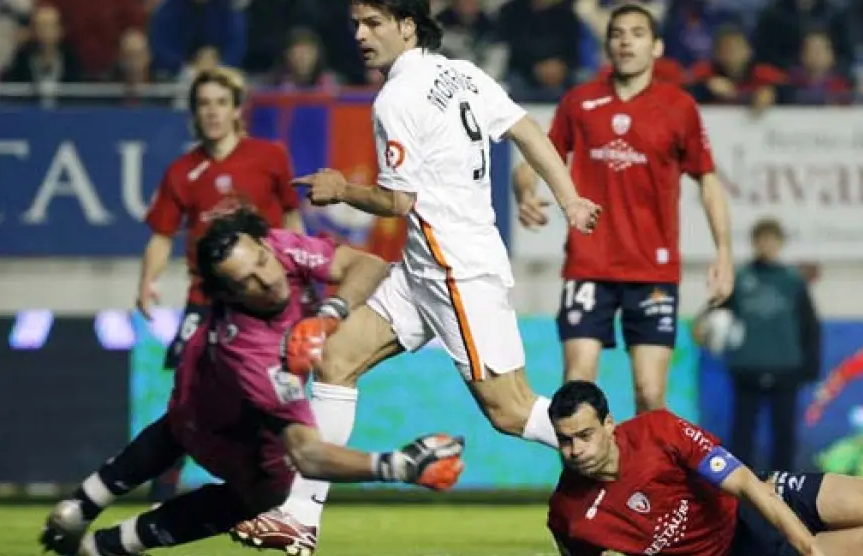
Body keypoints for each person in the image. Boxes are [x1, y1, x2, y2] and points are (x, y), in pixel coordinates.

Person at [229, 0, 602, 552]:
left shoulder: (397, 99)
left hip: (456, 270)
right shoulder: (463, 72)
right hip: (423, 269)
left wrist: (342, 188)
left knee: (511, 410)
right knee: (334, 360)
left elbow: (399, 201)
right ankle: (300, 519)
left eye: (373, 23)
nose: (360, 34)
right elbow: (526, 129)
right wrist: (568, 198)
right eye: (356, 22)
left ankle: (634, 463)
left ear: (407, 26)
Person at [40, 208, 465, 556]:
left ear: (264, 244)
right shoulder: (253, 351)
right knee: (266, 492)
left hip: (198, 390)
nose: (269, 280)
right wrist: (398, 466)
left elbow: (367, 263)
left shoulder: (280, 249)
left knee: (173, 433)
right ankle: (107, 546)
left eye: (262, 261)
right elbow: (309, 456)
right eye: (247, 282)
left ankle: (82, 506)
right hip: (215, 423)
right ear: (228, 295)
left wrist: (329, 313)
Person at [511, 3, 733, 414]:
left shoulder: (679, 107)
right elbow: (534, 160)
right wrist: (523, 191)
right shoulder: (579, 103)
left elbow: (708, 181)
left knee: (650, 396)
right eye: (617, 34)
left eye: (637, 33)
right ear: (607, 45)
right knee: (577, 388)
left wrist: (724, 254)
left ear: (657, 46)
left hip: (652, 270)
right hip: (588, 266)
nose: (626, 40)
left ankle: (644, 481)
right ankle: (582, 480)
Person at [546, 380, 863, 556]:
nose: (575, 450)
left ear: (608, 424)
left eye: (584, 435)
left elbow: (746, 486)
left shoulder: (658, 430)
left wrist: (807, 550)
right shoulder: (569, 515)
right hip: (740, 554)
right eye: (564, 440)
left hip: (761, 501)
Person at [136, 66, 305, 502]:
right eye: (203, 104)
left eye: (220, 103)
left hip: (262, 303)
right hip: (205, 303)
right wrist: (147, 282)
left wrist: (300, 273)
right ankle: (164, 491)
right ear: (195, 112)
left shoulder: (270, 158)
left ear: (236, 109)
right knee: (187, 399)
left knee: (270, 395)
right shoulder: (182, 171)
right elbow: (161, 234)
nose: (211, 112)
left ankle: (282, 489)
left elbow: (290, 220)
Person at [696, 217, 821, 472]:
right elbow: (710, 315)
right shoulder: (740, 278)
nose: (767, 246)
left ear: (781, 244)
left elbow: (810, 326)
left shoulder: (793, 281)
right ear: (754, 243)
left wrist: (811, 365)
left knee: (784, 431)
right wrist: (705, 326)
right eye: (762, 240)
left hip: (785, 367)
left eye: (772, 240)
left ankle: (784, 485)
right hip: (747, 367)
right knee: (743, 431)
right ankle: (741, 487)